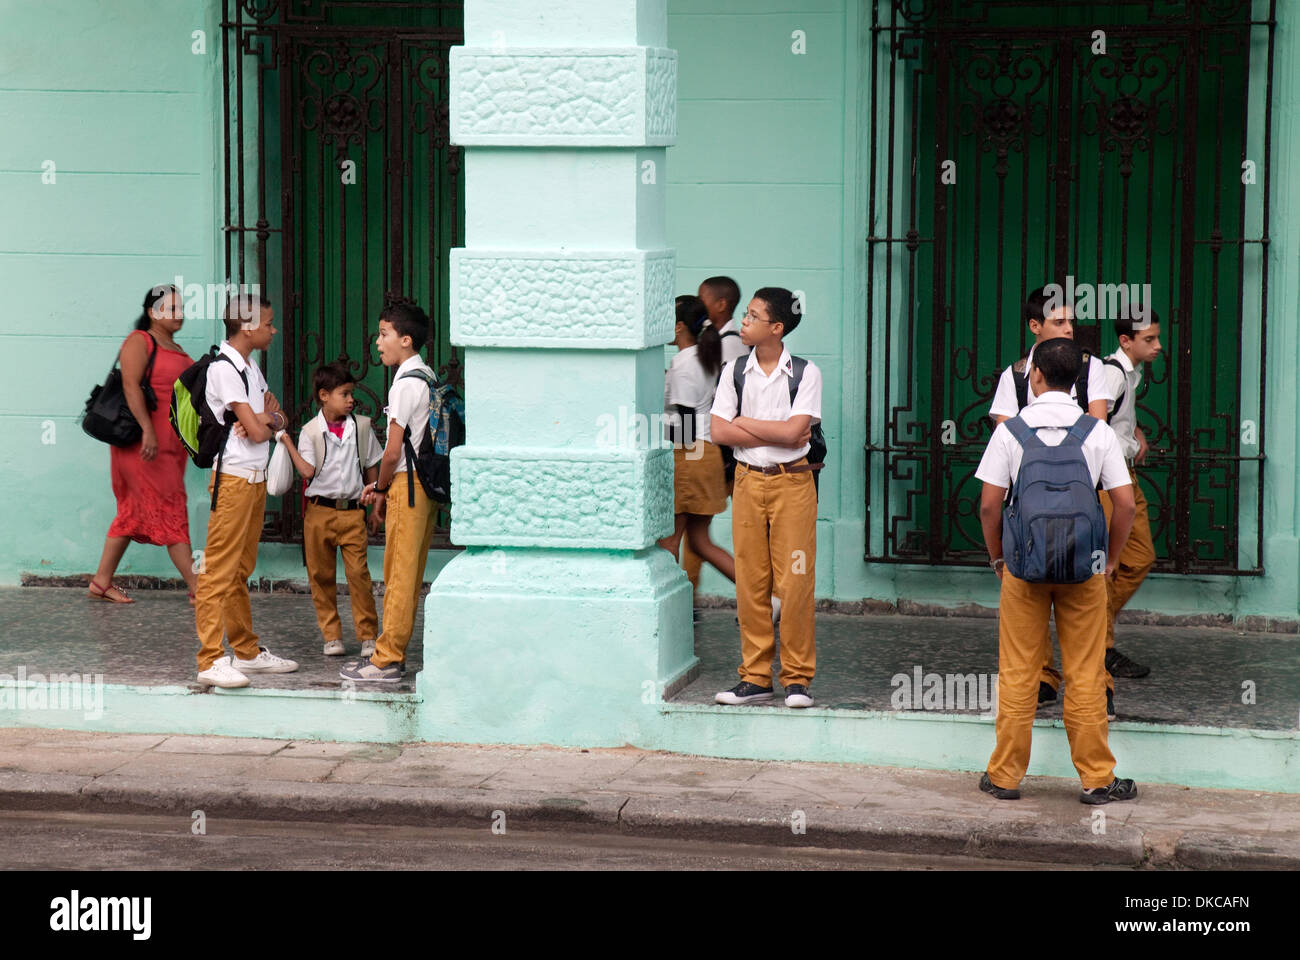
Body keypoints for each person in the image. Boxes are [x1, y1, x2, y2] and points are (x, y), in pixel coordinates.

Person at [975, 337, 1138, 804]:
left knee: (1019, 671)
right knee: (1086, 672)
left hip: (1023, 570)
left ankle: (1004, 776)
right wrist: (1107, 558)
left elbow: (989, 506)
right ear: (1076, 383)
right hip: (1084, 571)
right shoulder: (1097, 431)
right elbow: (1124, 504)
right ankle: (1097, 780)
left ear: (1035, 376)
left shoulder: (1011, 432)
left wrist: (998, 559)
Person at [989, 287, 1114, 712]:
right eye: (1059, 322)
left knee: (1092, 583)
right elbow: (1004, 425)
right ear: (1035, 326)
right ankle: (1044, 677)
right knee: (1034, 575)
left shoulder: (1090, 366)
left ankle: (1101, 681)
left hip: (1087, 489)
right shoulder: (1016, 373)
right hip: (1031, 494)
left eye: (1071, 321)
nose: (1069, 328)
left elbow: (1099, 418)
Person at [710, 287, 822, 709]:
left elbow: (796, 434)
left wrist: (743, 421)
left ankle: (797, 679)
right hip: (747, 481)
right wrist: (773, 428)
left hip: (792, 483)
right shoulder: (735, 370)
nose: (744, 321)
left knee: (794, 583)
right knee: (751, 583)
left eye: (753, 316)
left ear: (776, 328)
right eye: (745, 314)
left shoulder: (805, 373)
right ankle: (755, 676)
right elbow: (718, 431)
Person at [194, 293, 300, 688]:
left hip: (254, 479)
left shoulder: (251, 368)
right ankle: (209, 659)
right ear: (248, 326)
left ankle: (247, 652)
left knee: (240, 570)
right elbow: (258, 432)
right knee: (218, 571)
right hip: (234, 478)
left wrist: (265, 418)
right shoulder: (224, 369)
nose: (273, 330)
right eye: (269, 323)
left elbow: (278, 416)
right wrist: (263, 422)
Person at [346, 295, 438, 683]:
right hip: (425, 488)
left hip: (408, 487)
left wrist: (379, 487)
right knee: (410, 573)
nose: (378, 342)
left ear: (406, 340)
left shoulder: (404, 385)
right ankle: (392, 653)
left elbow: (392, 450)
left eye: (384, 334)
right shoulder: (429, 376)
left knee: (398, 574)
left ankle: (386, 659)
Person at [89, 286, 197, 604]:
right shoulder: (140, 341)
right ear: (153, 312)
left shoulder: (174, 347)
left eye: (181, 307)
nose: (179, 314)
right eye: (171, 308)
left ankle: (101, 582)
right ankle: (197, 586)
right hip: (143, 445)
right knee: (171, 507)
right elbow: (130, 385)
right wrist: (148, 430)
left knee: (132, 512)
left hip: (169, 447)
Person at [274, 362, 384, 657]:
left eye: (352, 394)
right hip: (319, 512)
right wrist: (287, 442)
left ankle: (368, 635)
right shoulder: (310, 432)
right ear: (324, 395)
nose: (351, 400)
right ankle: (332, 635)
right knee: (321, 576)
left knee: (358, 575)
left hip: (351, 512)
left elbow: (373, 463)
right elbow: (307, 470)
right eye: (345, 394)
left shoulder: (361, 427)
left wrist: (374, 502)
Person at [1096, 311, 1163, 694]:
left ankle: (1089, 624)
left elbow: (1115, 415)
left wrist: (1134, 431)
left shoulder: (1128, 374)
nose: (1157, 346)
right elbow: (1092, 420)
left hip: (1125, 473)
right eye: (1149, 339)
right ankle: (1101, 646)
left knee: (1138, 556)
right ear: (1126, 341)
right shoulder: (1112, 373)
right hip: (1109, 479)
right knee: (1107, 565)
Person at [658, 296, 735, 587]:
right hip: (705, 454)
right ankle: (767, 600)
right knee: (701, 543)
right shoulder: (701, 358)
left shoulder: (684, 365)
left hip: (689, 456)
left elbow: (684, 429)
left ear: (679, 327)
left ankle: (666, 609)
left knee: (668, 541)